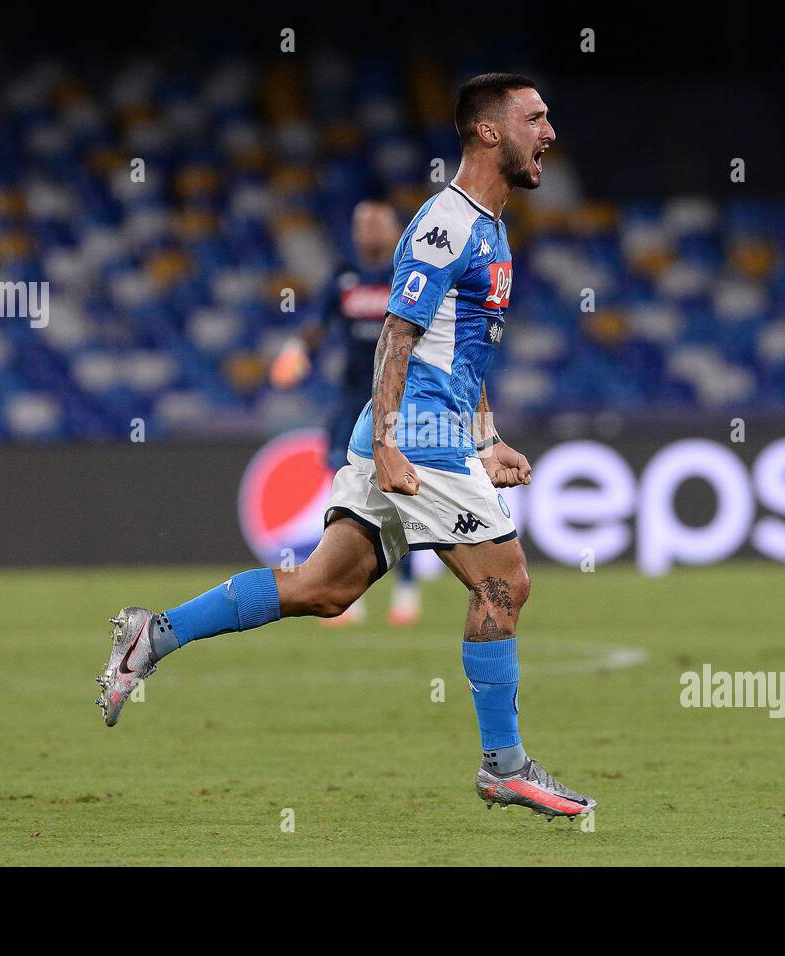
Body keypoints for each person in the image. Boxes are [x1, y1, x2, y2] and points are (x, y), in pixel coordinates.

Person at [96, 73, 594, 818]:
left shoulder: (491, 230)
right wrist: (395, 442)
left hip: (428, 428)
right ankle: (504, 765)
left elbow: (466, 354)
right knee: (505, 583)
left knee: (323, 588)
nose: (549, 132)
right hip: (414, 432)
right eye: (536, 117)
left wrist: (488, 440)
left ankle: (153, 635)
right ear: (490, 132)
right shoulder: (447, 223)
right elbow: (396, 332)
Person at [269, 198, 421, 626]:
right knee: (344, 496)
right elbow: (318, 325)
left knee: (400, 499)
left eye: (378, 224)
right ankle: (345, 591)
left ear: (394, 230)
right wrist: (296, 352)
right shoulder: (342, 278)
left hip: (396, 403)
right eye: (362, 225)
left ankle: (407, 589)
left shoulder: (408, 276)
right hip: (351, 403)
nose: (369, 232)